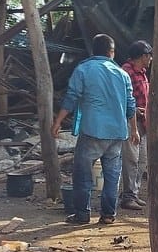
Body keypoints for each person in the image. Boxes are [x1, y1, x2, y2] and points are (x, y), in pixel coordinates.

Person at [52, 34, 139, 225]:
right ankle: (108, 215)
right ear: (111, 52)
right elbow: (130, 105)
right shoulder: (122, 74)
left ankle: (82, 215)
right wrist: (134, 130)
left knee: (83, 175)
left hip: (92, 131)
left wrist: (58, 122)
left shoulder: (83, 69)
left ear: (94, 50)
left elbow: (71, 98)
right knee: (111, 176)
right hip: (117, 133)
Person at [120, 40, 152, 208]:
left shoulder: (142, 73)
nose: (151, 59)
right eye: (149, 55)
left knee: (141, 160)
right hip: (131, 121)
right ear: (143, 56)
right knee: (131, 159)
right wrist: (134, 113)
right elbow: (124, 98)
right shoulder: (126, 72)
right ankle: (128, 196)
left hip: (143, 122)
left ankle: (134, 192)